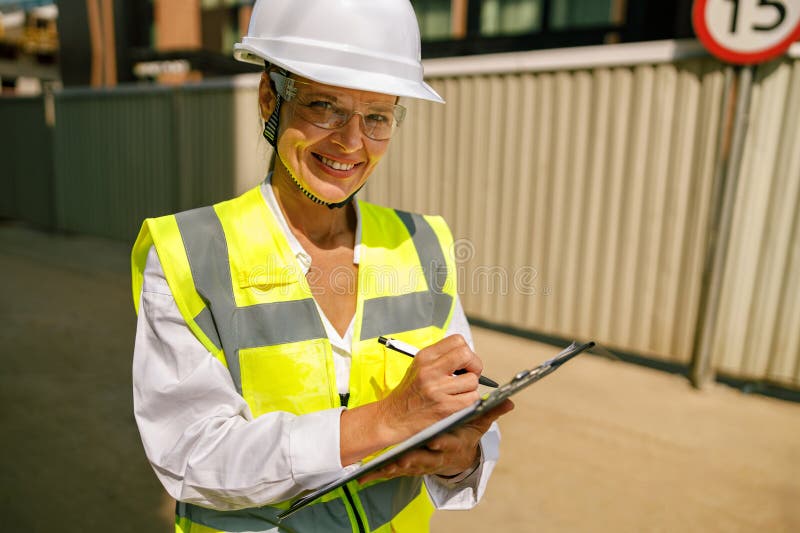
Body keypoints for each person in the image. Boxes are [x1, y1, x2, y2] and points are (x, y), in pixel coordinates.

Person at [131, 1, 514, 531]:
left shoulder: (422, 243)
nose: (352, 142)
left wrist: (461, 458)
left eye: (377, 115)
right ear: (271, 99)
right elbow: (192, 458)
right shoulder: (189, 253)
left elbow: (455, 409)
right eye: (325, 106)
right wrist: (381, 421)